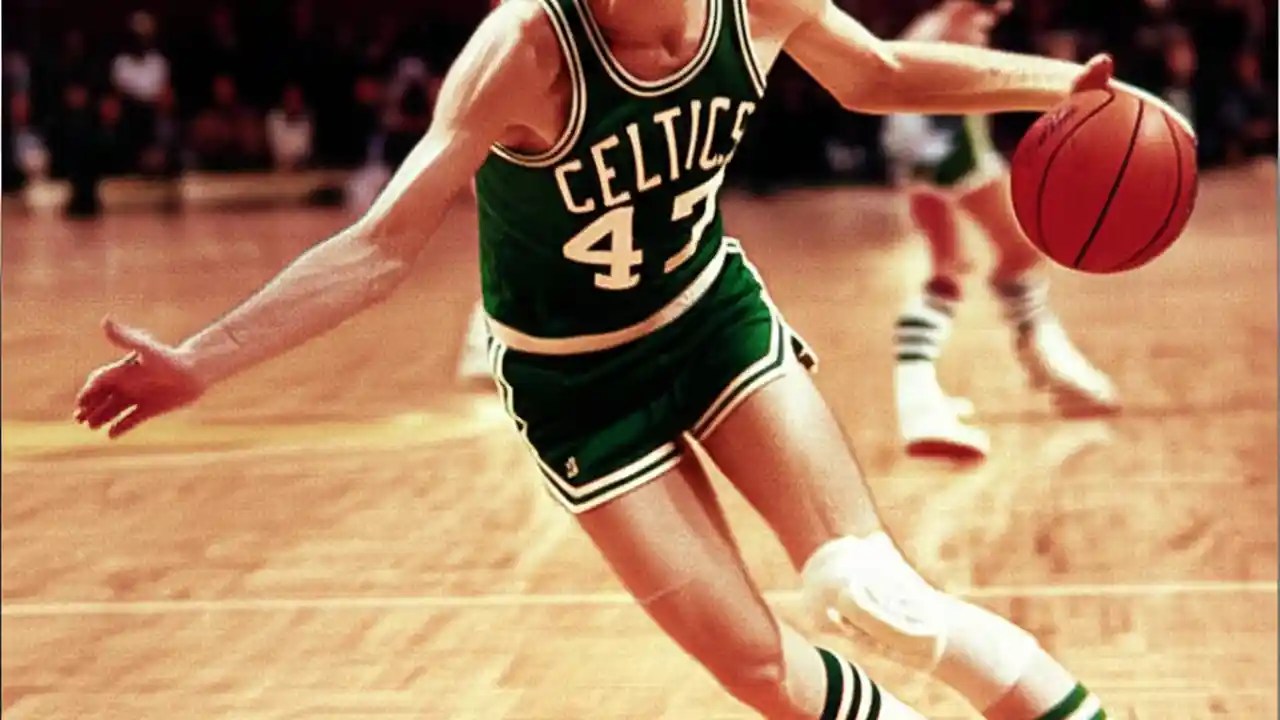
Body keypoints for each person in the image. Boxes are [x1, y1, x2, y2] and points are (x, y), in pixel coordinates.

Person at [74, 1, 1127, 717]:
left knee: (871, 591)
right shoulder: (523, 49)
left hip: (707, 316)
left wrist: (1055, 85)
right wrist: (202, 361)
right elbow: (381, 245)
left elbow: (880, 73)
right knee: (764, 672)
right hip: (575, 387)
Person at [881, 0, 1118, 462]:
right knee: (1023, 249)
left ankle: (916, 390)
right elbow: (982, 84)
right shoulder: (961, 21)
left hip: (912, 151)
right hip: (950, 151)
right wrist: (1057, 88)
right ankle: (1045, 354)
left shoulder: (933, 22)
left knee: (951, 269)